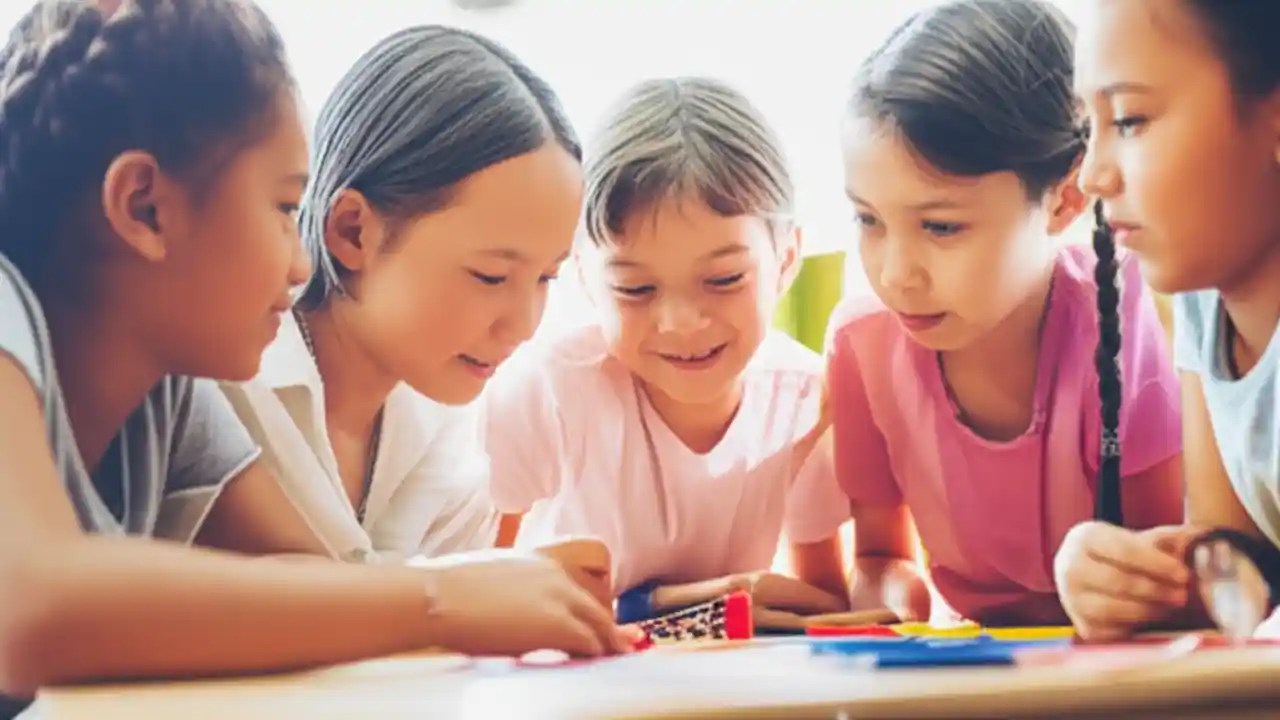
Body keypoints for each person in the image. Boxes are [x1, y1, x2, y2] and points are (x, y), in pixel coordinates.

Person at [826, 0, 1183, 626]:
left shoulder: (1129, 318)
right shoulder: (863, 345)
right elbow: (882, 555)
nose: (895, 273)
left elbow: (1166, 565)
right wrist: (890, 602)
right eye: (868, 220)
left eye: (940, 226)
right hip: (981, 672)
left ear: (1065, 198)